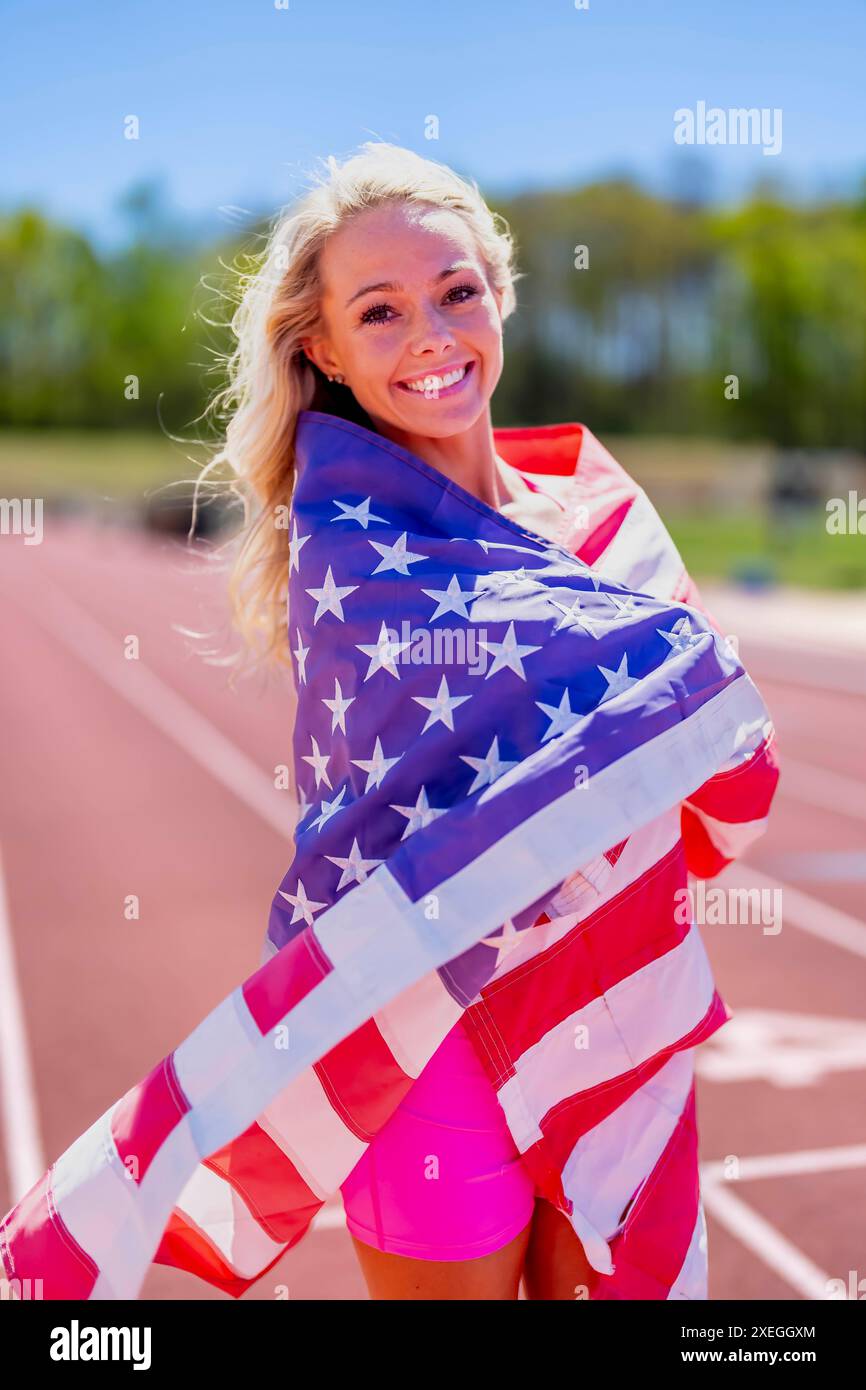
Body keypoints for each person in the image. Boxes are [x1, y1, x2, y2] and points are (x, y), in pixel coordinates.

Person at [184, 140, 776, 1301]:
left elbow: (695, 736)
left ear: (499, 296)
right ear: (326, 350)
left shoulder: (603, 511)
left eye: (456, 292)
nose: (431, 337)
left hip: (618, 995)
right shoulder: (357, 558)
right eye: (381, 312)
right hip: (422, 1032)